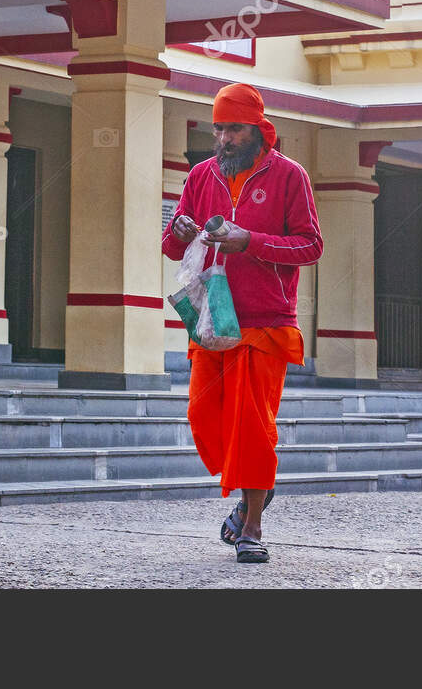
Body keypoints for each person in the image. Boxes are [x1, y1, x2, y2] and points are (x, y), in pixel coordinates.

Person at [162, 83, 323, 564]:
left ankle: (251, 525)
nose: (225, 138)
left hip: (265, 321)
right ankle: (257, 488)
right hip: (211, 317)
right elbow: (172, 247)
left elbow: (310, 246)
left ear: (257, 129)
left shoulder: (290, 176)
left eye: (234, 128)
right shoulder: (201, 175)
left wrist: (249, 240)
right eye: (219, 129)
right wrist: (180, 231)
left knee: (252, 428)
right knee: (202, 415)